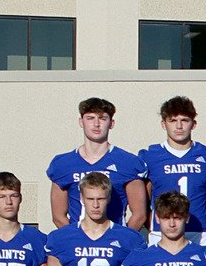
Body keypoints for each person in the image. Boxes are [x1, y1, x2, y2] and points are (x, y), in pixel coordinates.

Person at [47, 97, 147, 231]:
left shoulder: (128, 162)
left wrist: (123, 240)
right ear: (81, 122)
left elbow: (139, 215)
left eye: (102, 118)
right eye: (90, 118)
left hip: (114, 241)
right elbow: (58, 216)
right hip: (79, 245)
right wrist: (75, 238)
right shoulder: (63, 164)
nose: (96, 124)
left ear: (111, 123)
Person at [139, 96, 206, 240]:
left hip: (199, 232)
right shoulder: (150, 156)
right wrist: (153, 225)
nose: (179, 126)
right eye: (173, 120)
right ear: (163, 124)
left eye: (184, 120)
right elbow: (145, 199)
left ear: (194, 124)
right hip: (161, 232)